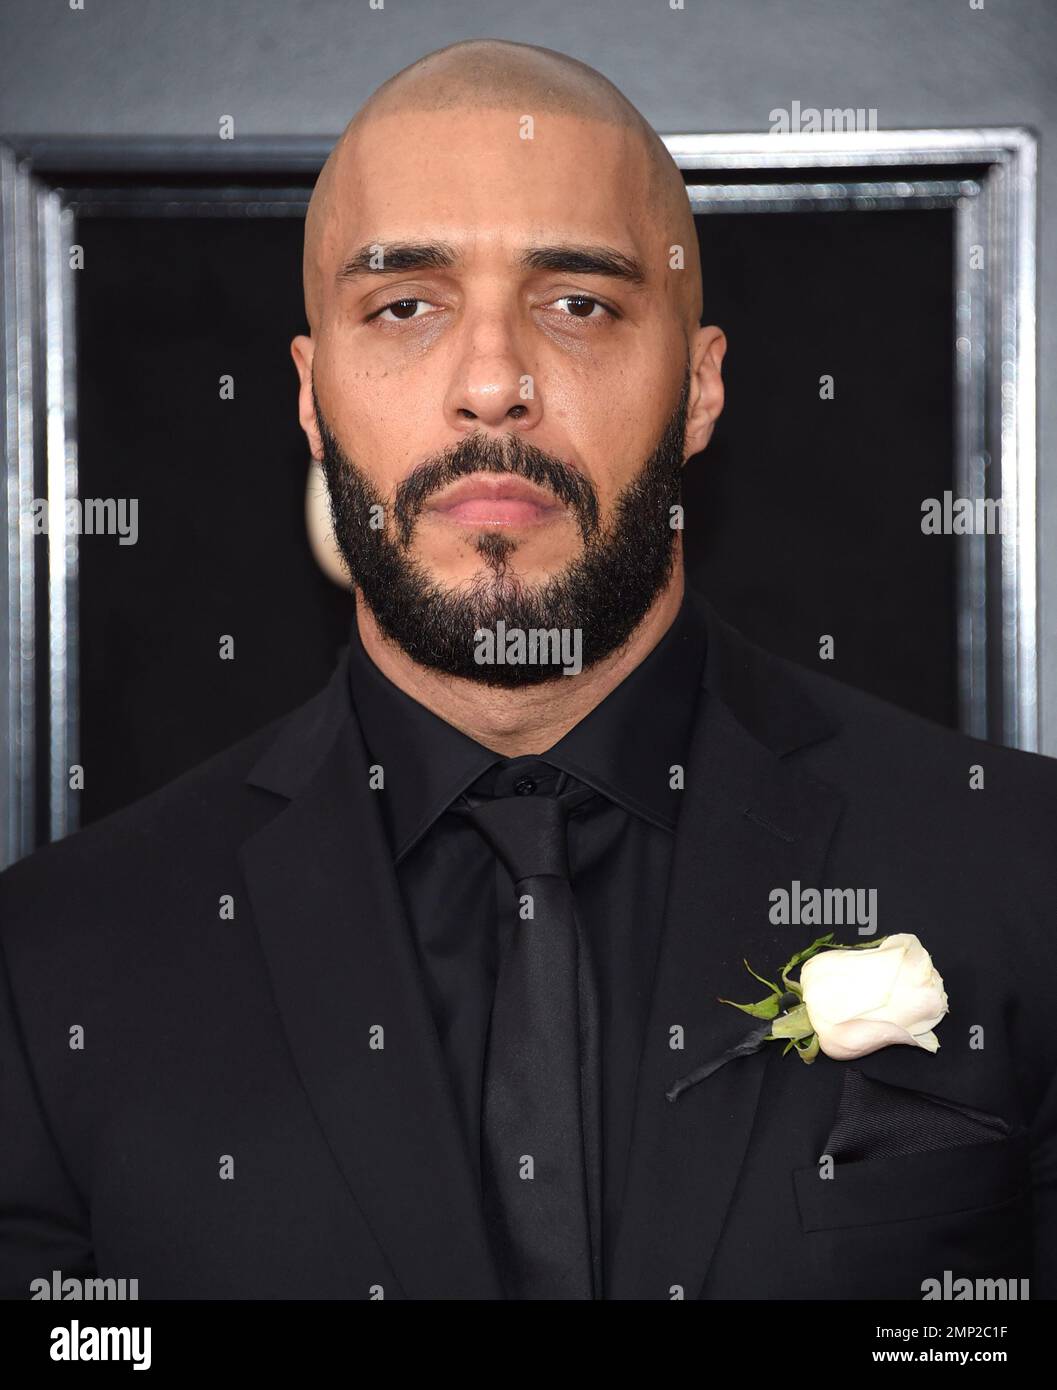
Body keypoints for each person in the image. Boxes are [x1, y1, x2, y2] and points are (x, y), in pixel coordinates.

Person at [1, 37, 1055, 1302]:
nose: (493, 384)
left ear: (701, 385)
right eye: (404, 306)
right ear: (310, 394)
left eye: (579, 303)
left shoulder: (1019, 868)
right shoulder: (54, 961)